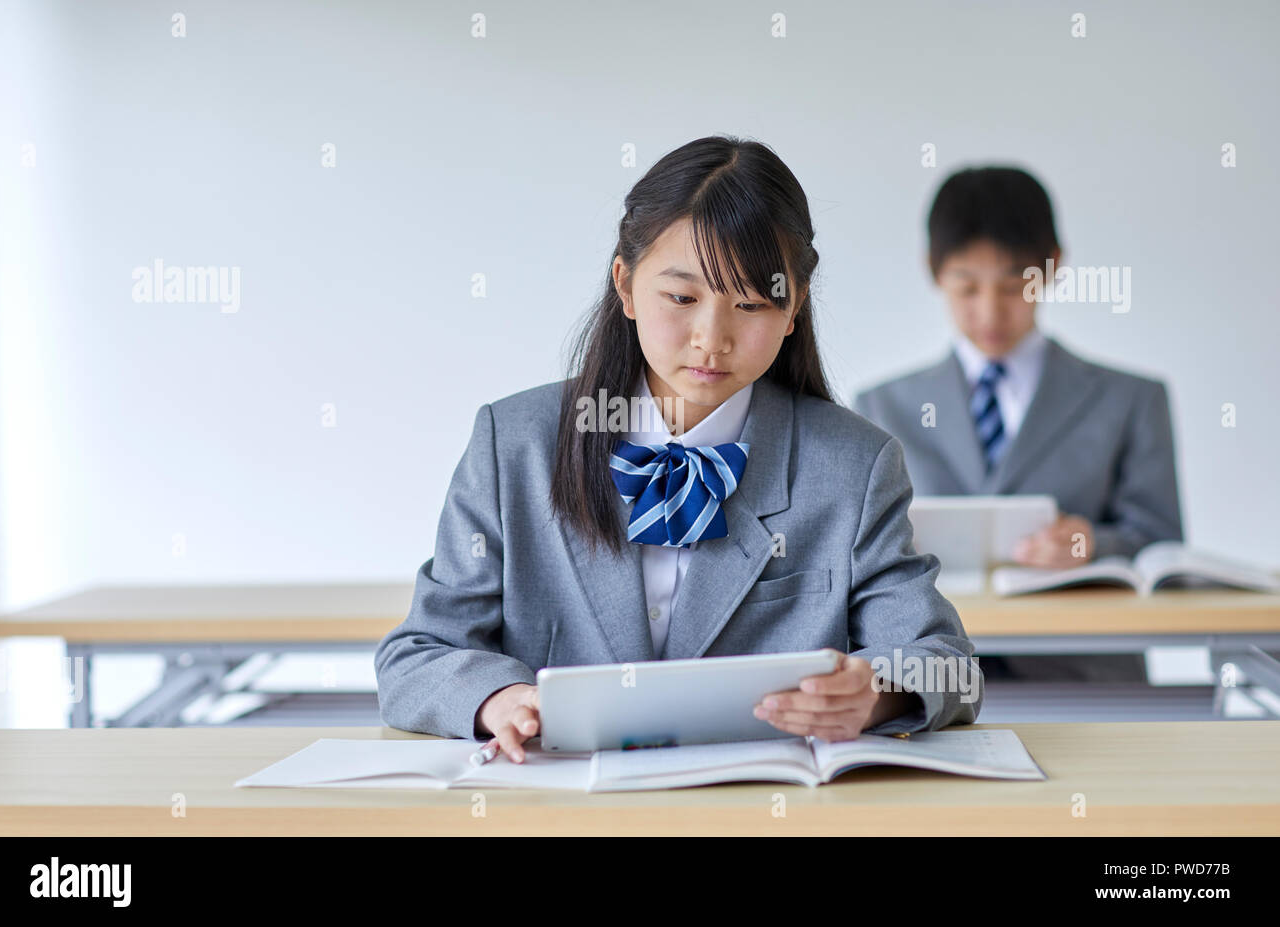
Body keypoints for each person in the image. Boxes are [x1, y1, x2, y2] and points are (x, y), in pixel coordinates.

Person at [376, 136, 982, 763]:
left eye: (749, 304)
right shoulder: (515, 444)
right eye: (682, 298)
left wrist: (877, 692)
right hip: (561, 811)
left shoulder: (854, 464)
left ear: (794, 306)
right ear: (626, 286)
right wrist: (496, 698)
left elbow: (953, 670)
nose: (711, 339)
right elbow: (417, 655)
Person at [853, 166, 1183, 681]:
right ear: (934, 272)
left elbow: (1164, 544)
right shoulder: (880, 405)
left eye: (1012, 287)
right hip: (926, 681)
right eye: (967, 288)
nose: (990, 311)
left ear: (1053, 267)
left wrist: (1091, 545)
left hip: (1087, 678)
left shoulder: (1130, 400)